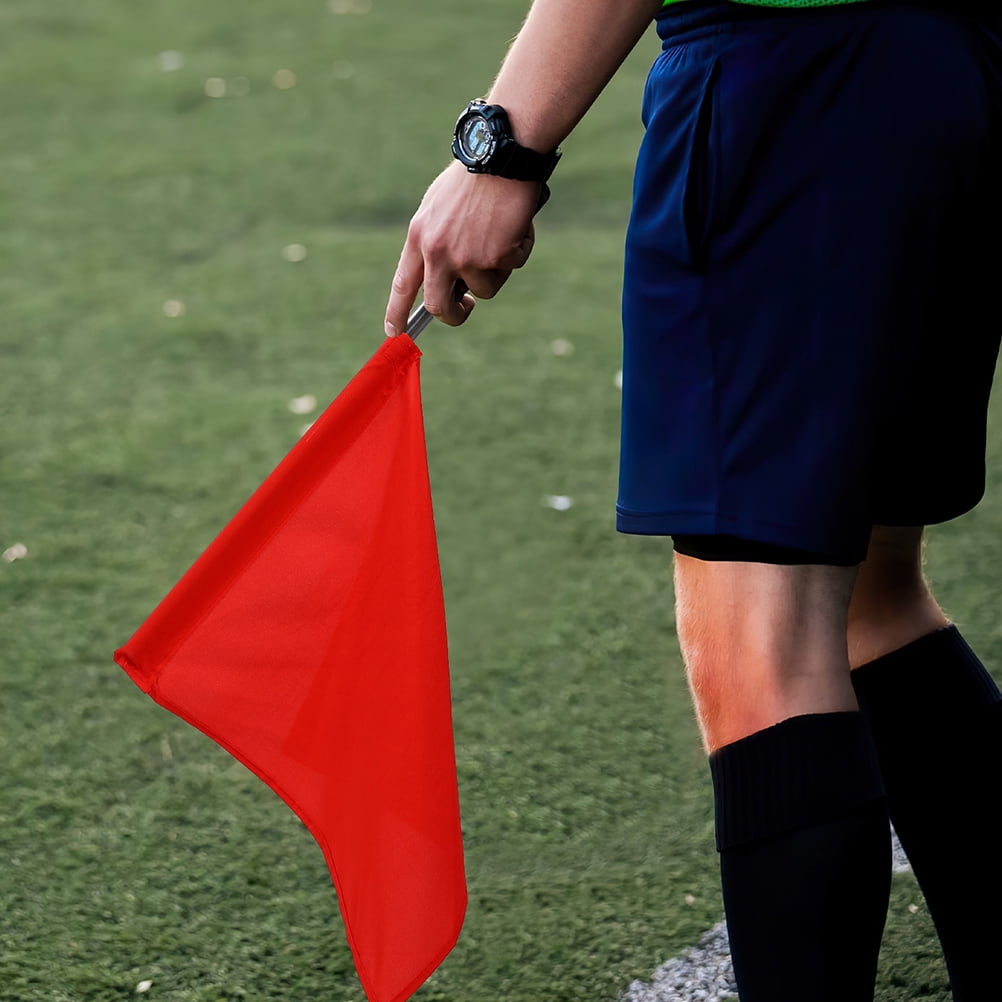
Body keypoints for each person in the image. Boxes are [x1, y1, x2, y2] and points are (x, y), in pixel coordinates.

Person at [384, 0, 1002, 998]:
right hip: (949, 65)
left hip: (789, 88)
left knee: (759, 636)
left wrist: (499, 149)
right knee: (866, 600)